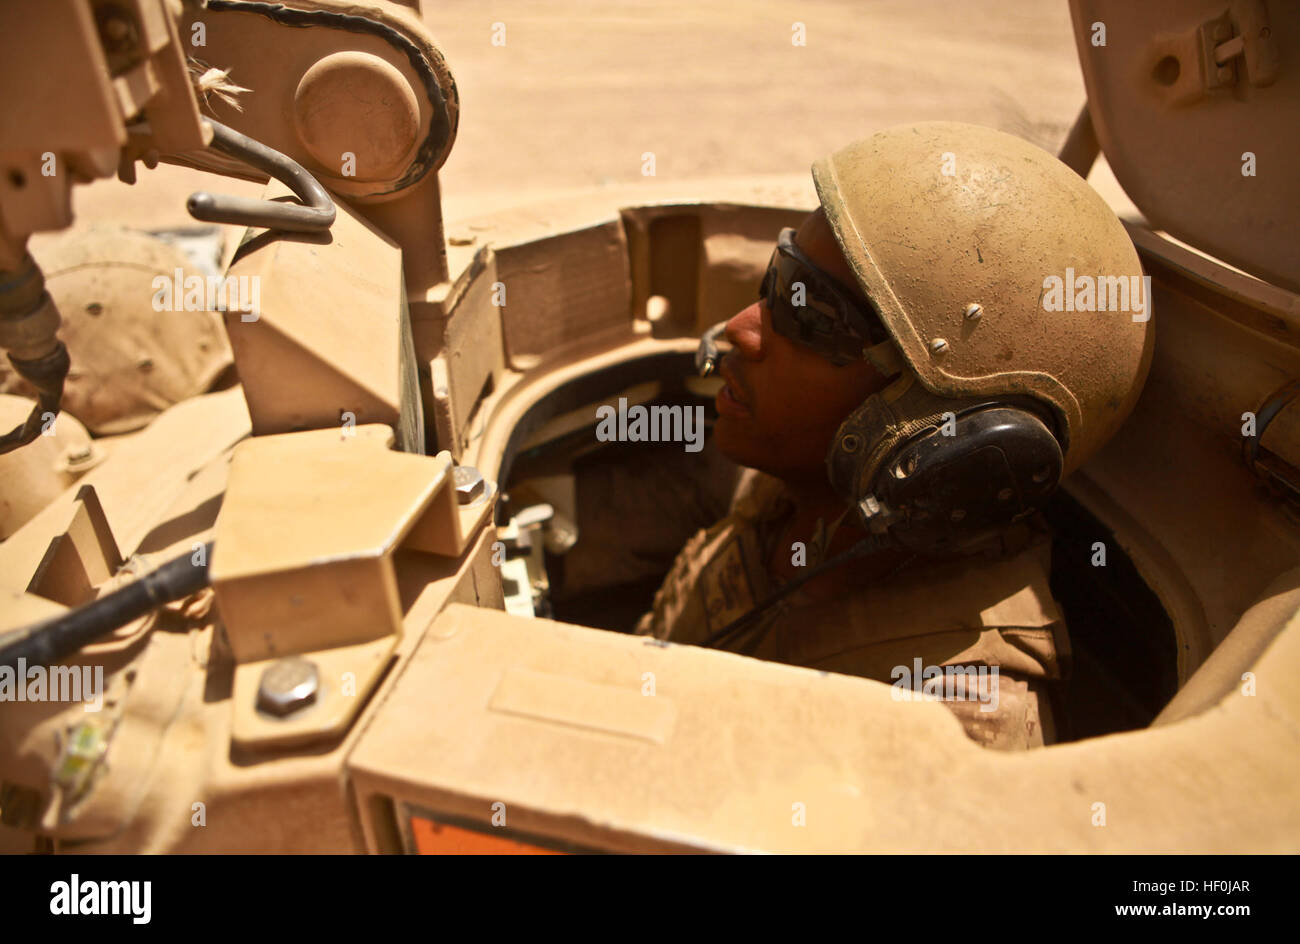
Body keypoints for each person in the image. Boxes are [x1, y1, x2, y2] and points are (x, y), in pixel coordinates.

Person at [635, 122, 1154, 750]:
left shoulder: (957, 727)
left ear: (935, 442)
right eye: (779, 278)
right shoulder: (802, 488)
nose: (739, 330)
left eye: (811, 314)